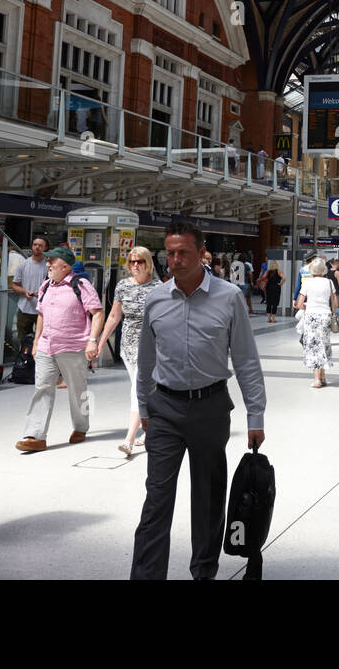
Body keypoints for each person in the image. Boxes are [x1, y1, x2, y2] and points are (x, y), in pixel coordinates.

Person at [131, 220, 266, 580]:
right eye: (170, 253)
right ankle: (145, 575)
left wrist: (256, 416)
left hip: (210, 407)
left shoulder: (229, 297)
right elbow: (146, 360)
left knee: (208, 498)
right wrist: (144, 407)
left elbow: (246, 360)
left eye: (183, 253)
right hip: (165, 410)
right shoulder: (156, 299)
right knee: (156, 499)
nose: (175, 260)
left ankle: (203, 571)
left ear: (201, 253)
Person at [15, 246, 104, 452]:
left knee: (77, 390)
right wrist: (36, 343)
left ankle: (81, 427)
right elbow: (41, 315)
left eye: (51, 262)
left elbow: (97, 313)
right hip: (47, 345)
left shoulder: (80, 285)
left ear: (64, 266)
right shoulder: (46, 285)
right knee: (42, 388)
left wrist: (92, 340)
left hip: (73, 347)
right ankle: (35, 435)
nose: (47, 265)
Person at [98, 247, 159, 458]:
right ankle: (150, 429)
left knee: (138, 390)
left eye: (140, 261)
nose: (135, 265)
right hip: (129, 346)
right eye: (132, 262)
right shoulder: (123, 286)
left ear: (148, 263)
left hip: (152, 346)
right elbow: (114, 316)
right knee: (143, 389)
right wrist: (100, 341)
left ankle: (129, 439)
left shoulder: (159, 288)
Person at [296, 256, 337, 387]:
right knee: (324, 344)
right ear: (324, 269)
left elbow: (299, 303)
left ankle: (317, 379)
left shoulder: (308, 283)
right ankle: (323, 376)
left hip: (311, 316)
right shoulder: (329, 283)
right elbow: (335, 303)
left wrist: (306, 306)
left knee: (313, 346)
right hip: (325, 315)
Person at [10, 236, 48, 354]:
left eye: (40, 245)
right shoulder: (23, 265)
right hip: (24, 309)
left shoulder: (49, 265)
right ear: (32, 246)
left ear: (45, 248)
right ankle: (24, 365)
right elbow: (14, 285)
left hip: (43, 310)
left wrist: (41, 292)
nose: (37, 247)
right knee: (23, 341)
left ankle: (39, 366)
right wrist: (24, 292)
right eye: (35, 244)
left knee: (42, 342)